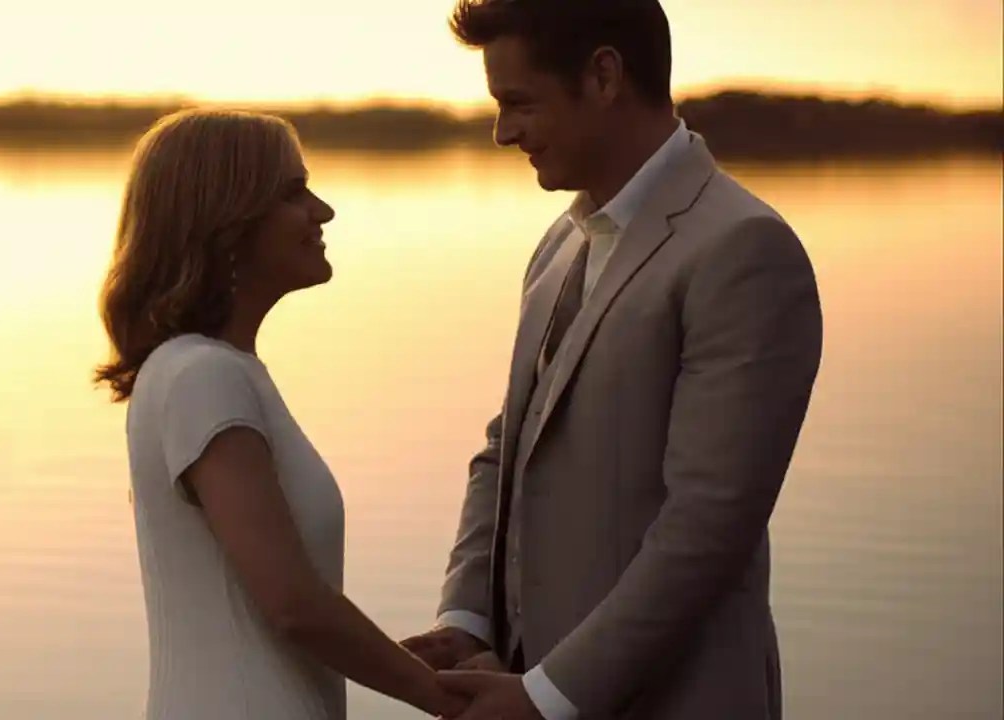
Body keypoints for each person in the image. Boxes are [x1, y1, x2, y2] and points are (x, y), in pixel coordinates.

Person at [401, 1, 823, 718]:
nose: (503, 133)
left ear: (603, 76)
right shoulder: (561, 244)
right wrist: (465, 619)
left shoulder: (744, 250)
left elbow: (707, 530)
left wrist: (547, 697)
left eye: (519, 103)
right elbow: (507, 454)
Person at [95, 108, 464, 719]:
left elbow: (258, 613)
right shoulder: (203, 378)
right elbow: (292, 603)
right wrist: (440, 697)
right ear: (229, 221)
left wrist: (404, 662)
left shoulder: (206, 371)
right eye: (294, 192)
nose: (323, 211)